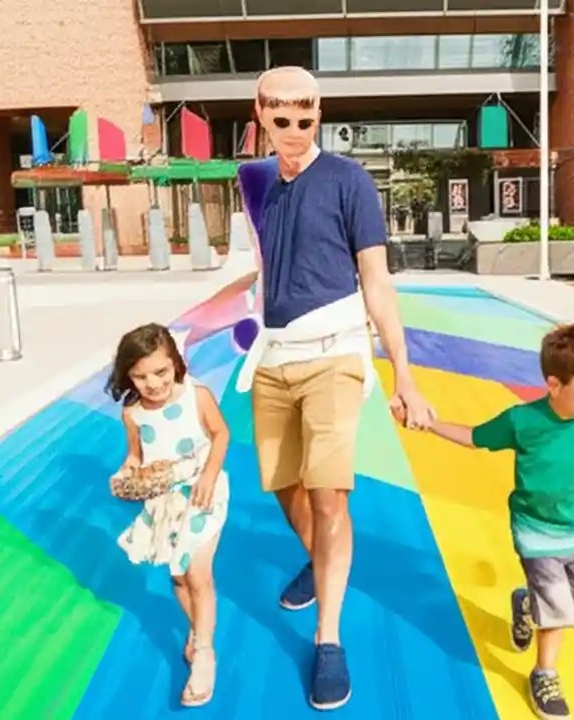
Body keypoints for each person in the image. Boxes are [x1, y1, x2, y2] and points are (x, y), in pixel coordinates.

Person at [239, 66, 435, 711]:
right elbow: (262, 266)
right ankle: (318, 557)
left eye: (307, 117)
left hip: (334, 354)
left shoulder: (350, 180)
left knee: (329, 497)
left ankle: (328, 638)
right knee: (283, 485)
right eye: (282, 118)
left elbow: (376, 280)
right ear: (261, 114)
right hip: (273, 357)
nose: (295, 130)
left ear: (319, 115)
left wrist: (402, 371)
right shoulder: (255, 180)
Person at [418, 323, 574, 720]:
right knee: (557, 609)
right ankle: (544, 673)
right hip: (534, 532)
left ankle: (525, 603)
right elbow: (475, 436)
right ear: (554, 385)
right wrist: (428, 423)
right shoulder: (523, 421)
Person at [106, 323, 231, 708]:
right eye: (140, 376)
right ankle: (197, 629)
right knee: (177, 576)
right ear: (128, 376)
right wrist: (128, 471)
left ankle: (205, 654)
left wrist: (208, 475)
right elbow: (136, 454)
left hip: (201, 492)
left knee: (197, 573)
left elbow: (220, 434)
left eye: (160, 372)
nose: (153, 384)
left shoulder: (197, 395)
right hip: (162, 504)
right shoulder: (133, 414)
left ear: (175, 363)